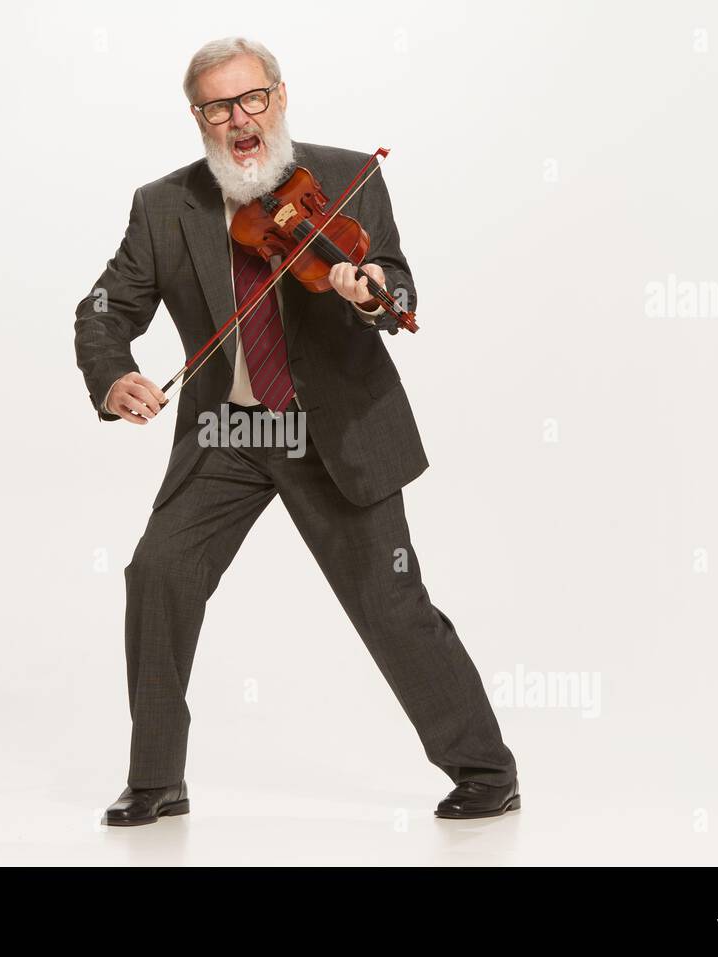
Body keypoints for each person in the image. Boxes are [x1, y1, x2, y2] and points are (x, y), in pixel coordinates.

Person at [74, 37, 520, 826]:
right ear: (199, 119)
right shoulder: (162, 204)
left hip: (335, 430)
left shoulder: (349, 178)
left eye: (252, 99)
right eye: (218, 107)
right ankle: (156, 779)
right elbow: (104, 308)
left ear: (280, 98)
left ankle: (485, 769)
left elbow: (396, 284)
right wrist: (114, 376)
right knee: (159, 574)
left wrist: (371, 289)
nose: (239, 119)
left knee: (390, 602)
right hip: (228, 431)